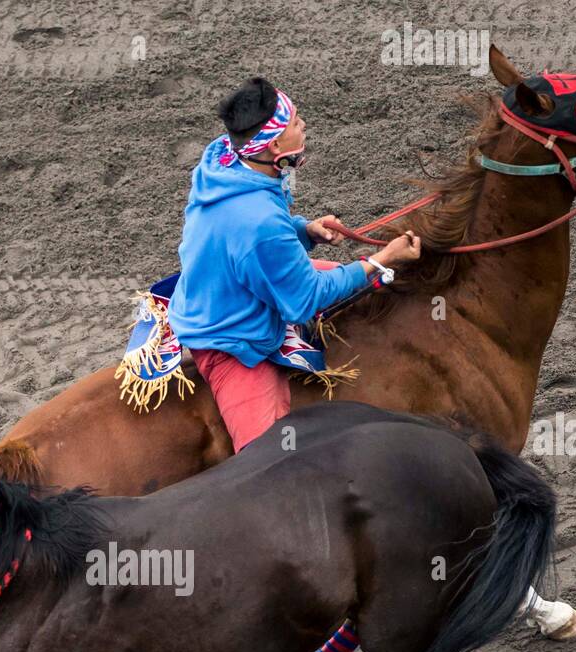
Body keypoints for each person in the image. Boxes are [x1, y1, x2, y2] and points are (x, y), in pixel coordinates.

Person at [168, 76, 422, 451]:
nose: (303, 125)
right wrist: (380, 260)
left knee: (359, 285)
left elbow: (253, 234)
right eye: (295, 122)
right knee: (273, 463)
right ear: (274, 147)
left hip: (226, 284)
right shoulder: (260, 224)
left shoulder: (224, 157)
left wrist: (304, 230)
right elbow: (305, 299)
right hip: (231, 343)